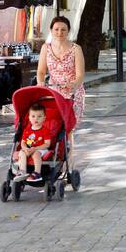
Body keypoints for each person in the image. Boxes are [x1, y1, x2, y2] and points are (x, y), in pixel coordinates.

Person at [37, 16, 85, 145]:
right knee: (54, 123)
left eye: (63, 30)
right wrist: (40, 82)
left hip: (72, 91)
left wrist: (74, 85)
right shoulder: (45, 48)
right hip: (54, 91)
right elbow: (41, 71)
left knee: (68, 126)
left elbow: (80, 74)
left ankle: (68, 156)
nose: (60, 33)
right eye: (56, 29)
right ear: (51, 30)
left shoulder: (76, 49)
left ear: (68, 31)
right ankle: (56, 152)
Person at [15, 101, 58, 183]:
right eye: (33, 116)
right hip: (29, 149)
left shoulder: (45, 130)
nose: (36, 119)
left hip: (41, 149)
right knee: (21, 152)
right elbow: (23, 142)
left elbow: (47, 144)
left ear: (44, 118)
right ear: (29, 118)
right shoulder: (27, 130)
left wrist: (35, 148)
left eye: (39, 116)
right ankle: (22, 171)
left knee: (36, 153)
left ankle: (37, 173)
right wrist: (25, 148)